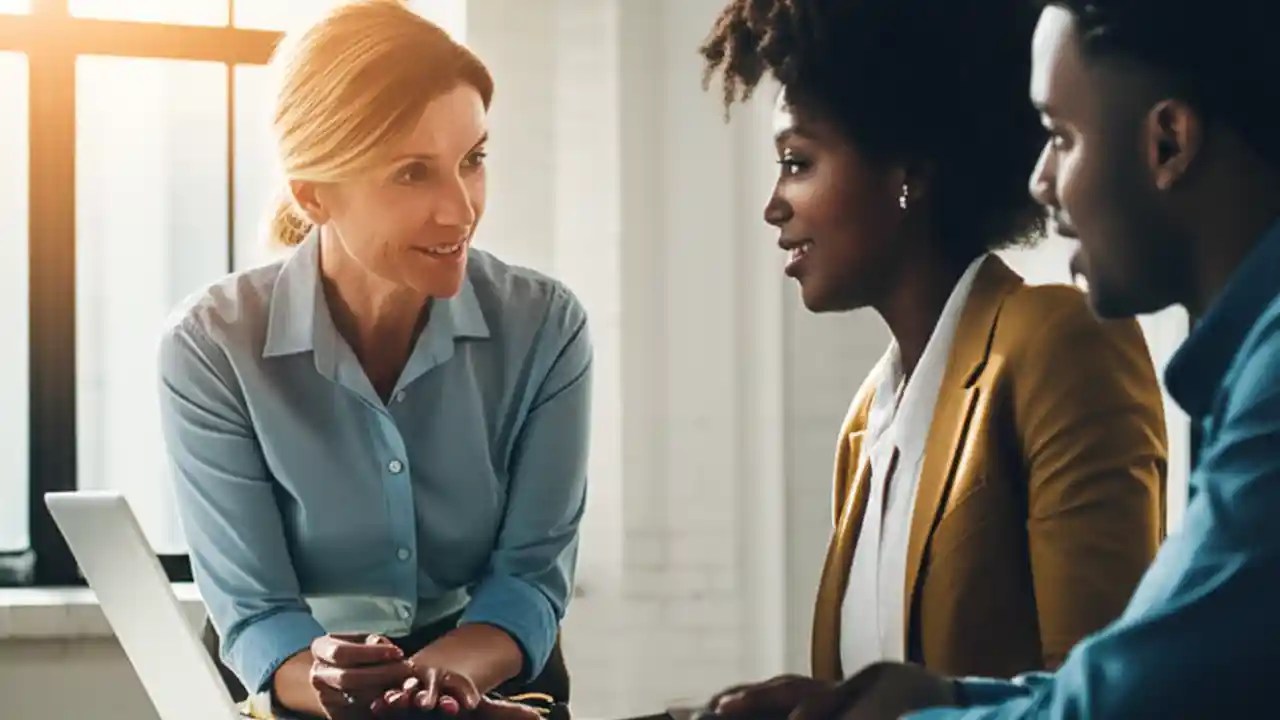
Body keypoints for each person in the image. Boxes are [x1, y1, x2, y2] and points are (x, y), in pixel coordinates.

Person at [783, 1, 1280, 718]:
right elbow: (1141, 673)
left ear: (1169, 142)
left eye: (1062, 136)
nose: (1041, 181)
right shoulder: (1241, 381)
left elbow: (1131, 696)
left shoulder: (1255, 387)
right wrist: (926, 701)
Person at [695, 0, 1168, 716]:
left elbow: (1107, 689)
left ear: (908, 170)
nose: (774, 205)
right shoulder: (867, 425)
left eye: (798, 163)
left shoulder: (1058, 344)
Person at [157, 2, 591, 718]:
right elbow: (255, 610)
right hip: (297, 688)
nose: (461, 210)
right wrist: (337, 691)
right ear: (312, 193)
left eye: (473, 160)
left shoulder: (545, 326)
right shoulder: (212, 346)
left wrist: (431, 688)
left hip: (486, 677)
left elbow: (530, 578)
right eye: (412, 174)